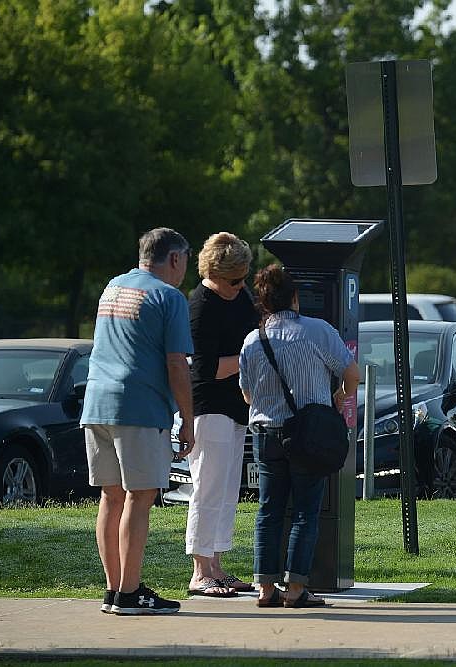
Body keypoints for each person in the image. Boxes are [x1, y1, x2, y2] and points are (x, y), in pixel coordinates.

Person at [81, 227, 195, 615]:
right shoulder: (169, 296)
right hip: (140, 407)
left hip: (97, 402)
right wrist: (188, 421)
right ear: (175, 258)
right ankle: (130, 594)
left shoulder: (112, 286)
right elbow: (177, 363)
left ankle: (114, 591)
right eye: (186, 261)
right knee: (140, 496)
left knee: (110, 496)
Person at [239, 264, 359, 608]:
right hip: (307, 432)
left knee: (269, 510)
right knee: (306, 510)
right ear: (294, 297)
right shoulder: (318, 331)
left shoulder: (253, 340)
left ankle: (264, 587)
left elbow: (247, 395)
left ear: (263, 302)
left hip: (265, 432)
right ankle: (295, 589)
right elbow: (352, 373)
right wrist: (340, 396)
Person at [184, 232, 261, 598]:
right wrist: (249, 358)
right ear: (214, 273)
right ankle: (200, 570)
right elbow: (205, 369)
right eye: (234, 280)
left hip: (236, 406)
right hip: (209, 407)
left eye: (243, 278)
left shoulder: (240, 297)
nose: (240, 285)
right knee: (208, 487)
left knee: (229, 489)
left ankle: (217, 564)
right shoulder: (201, 305)